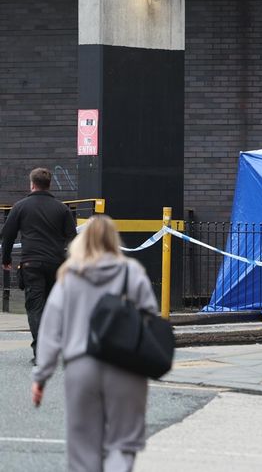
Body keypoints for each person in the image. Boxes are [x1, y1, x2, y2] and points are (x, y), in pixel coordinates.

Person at [31, 215, 158, 472]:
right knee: (122, 444)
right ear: (115, 240)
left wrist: (41, 376)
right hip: (126, 366)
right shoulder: (131, 273)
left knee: (83, 447)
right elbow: (150, 319)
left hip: (82, 366)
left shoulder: (69, 276)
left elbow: (50, 330)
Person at [1, 168, 76, 364]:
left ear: (32, 184)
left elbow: (8, 235)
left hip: (31, 263)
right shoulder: (62, 209)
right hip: (57, 264)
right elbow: (72, 239)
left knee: (35, 307)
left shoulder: (21, 207)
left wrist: (6, 259)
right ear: (49, 184)